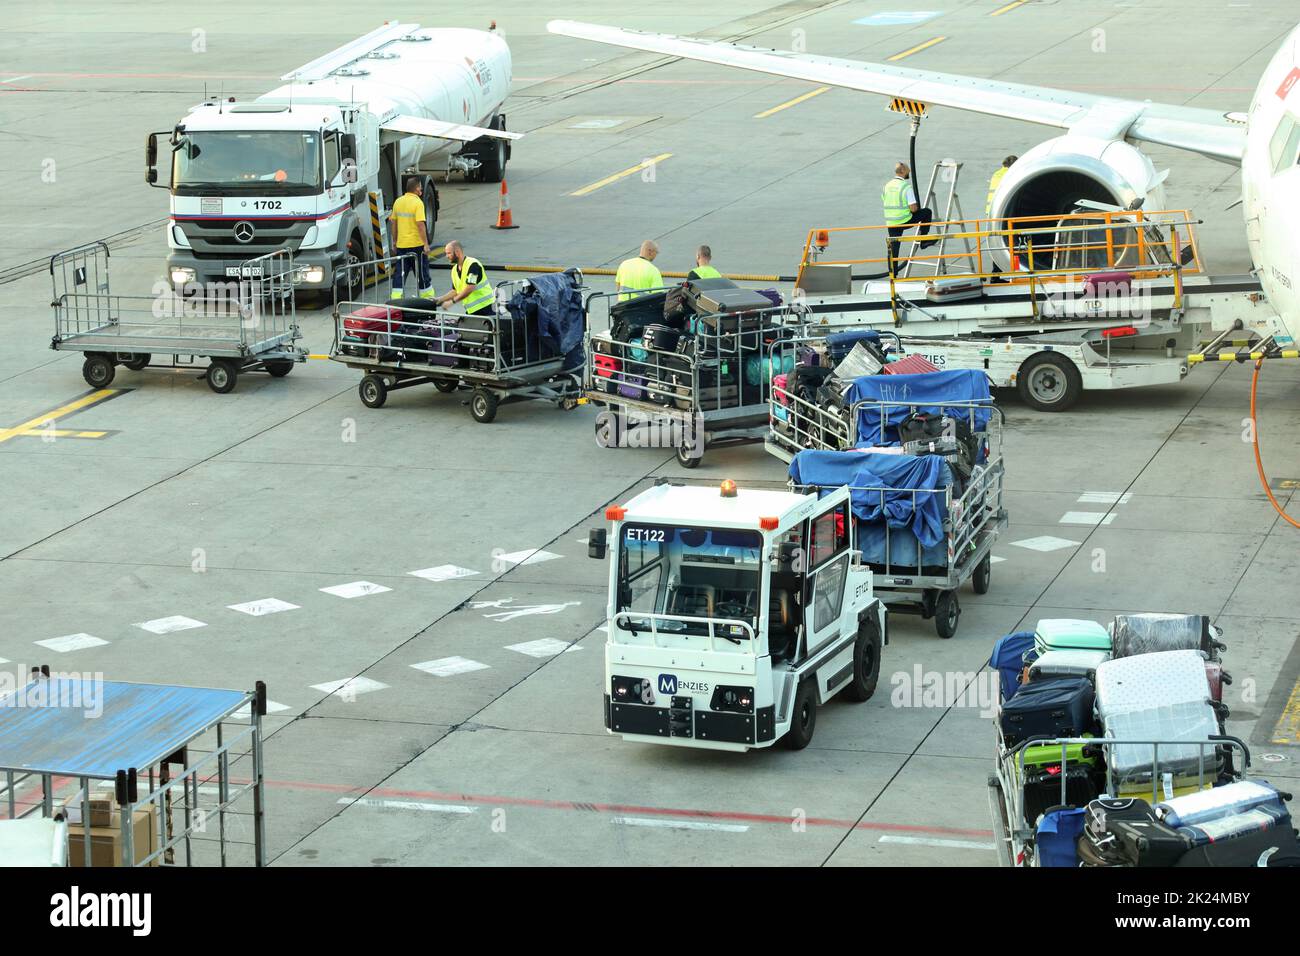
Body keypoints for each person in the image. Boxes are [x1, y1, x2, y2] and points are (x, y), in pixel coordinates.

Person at [882, 162, 936, 276]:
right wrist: (915, 208)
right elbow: (913, 209)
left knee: (893, 249)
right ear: (902, 171)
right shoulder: (905, 187)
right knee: (927, 212)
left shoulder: (887, 185)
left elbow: (885, 200)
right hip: (904, 220)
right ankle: (924, 241)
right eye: (907, 170)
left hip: (891, 221)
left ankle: (893, 274)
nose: (909, 172)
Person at [387, 177, 434, 300]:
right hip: (417, 246)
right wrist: (426, 244)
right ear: (417, 188)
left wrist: (394, 241)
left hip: (402, 246)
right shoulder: (418, 203)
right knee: (422, 274)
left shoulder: (398, 202)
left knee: (400, 274)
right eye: (421, 188)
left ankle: (396, 299)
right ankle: (427, 299)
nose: (421, 190)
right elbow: (420, 225)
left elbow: (393, 224)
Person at [435, 241, 494, 316]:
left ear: (457, 252)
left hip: (486, 307)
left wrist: (452, 302)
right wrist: (440, 299)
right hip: (472, 310)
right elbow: (455, 291)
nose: (447, 256)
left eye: (449, 253)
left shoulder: (473, 265)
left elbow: (470, 288)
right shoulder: (454, 270)